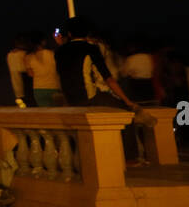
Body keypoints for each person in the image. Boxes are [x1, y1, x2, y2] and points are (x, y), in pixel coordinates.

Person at [53, 19, 143, 163]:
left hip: (71, 99)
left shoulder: (59, 52)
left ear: (69, 33)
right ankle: (131, 158)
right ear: (87, 33)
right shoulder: (90, 48)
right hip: (90, 96)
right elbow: (109, 79)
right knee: (126, 113)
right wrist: (127, 101)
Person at [26, 34, 61, 106]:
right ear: (43, 42)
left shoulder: (28, 57)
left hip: (38, 89)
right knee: (57, 114)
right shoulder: (52, 54)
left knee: (46, 114)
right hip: (54, 87)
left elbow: (30, 74)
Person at [6, 35, 35, 107]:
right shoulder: (24, 54)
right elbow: (26, 71)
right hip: (28, 90)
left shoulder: (10, 55)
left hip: (17, 91)